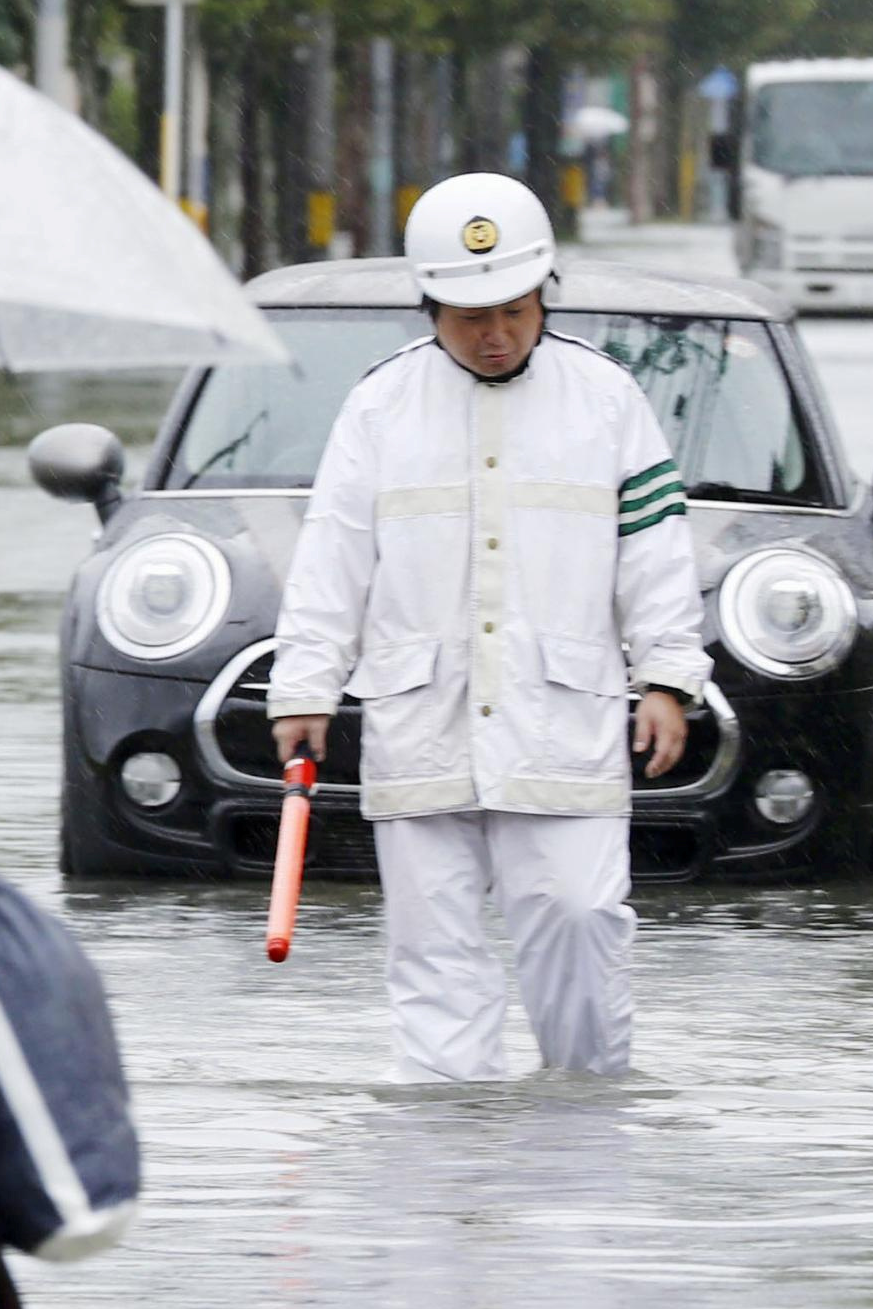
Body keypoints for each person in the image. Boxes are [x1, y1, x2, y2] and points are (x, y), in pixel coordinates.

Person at [266, 173, 711, 1080]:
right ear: (428, 306)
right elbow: (333, 555)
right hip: (420, 720)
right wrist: (305, 686)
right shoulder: (378, 407)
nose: (496, 334)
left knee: (584, 923)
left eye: (513, 310)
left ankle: (586, 1148)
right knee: (435, 967)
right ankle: (448, 1179)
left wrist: (667, 677)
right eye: (471, 317)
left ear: (545, 293)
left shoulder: (609, 401)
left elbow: (656, 551)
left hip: (564, 720)